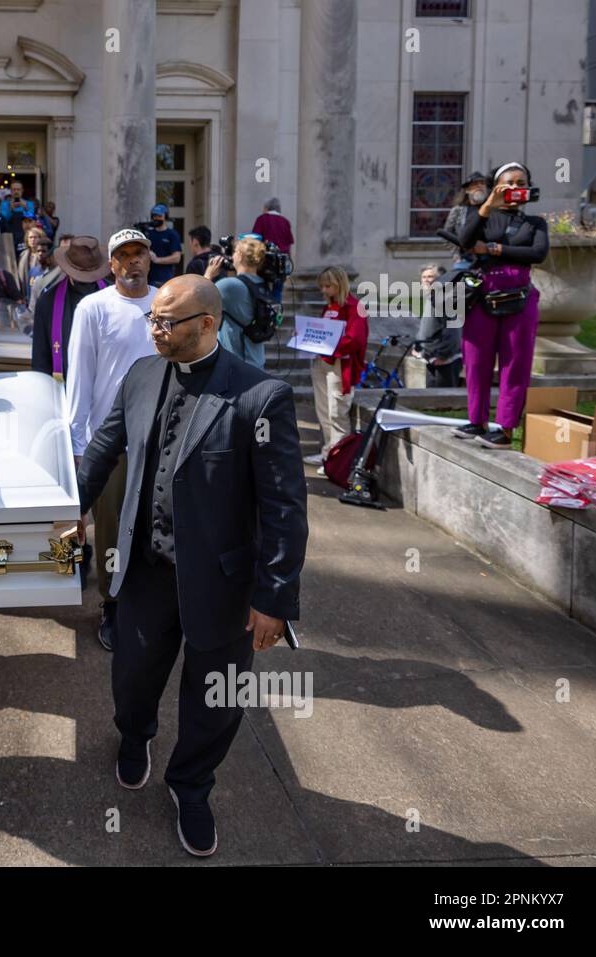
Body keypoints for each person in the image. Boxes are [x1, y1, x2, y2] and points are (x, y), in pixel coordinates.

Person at [76, 273, 308, 858]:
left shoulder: (261, 396)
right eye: (151, 318)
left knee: (215, 700)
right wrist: (67, 512)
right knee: (132, 677)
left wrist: (273, 598)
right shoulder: (141, 374)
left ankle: (192, 785)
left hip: (223, 583)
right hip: (147, 568)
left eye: (165, 321)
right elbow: (104, 450)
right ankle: (135, 736)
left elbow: (284, 508)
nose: (153, 329)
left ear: (207, 324)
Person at [67, 228, 158, 652]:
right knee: (110, 531)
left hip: (162, 437)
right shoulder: (93, 308)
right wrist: (79, 444)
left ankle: (152, 603)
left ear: (150, 258)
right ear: (113, 263)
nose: (133, 261)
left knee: (156, 527)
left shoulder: (168, 302)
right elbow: (80, 378)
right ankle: (112, 603)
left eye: (140, 252)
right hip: (112, 442)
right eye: (124, 255)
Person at [453, 161, 550, 449]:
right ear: (496, 187)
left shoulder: (535, 223)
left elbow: (537, 252)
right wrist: (487, 207)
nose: (515, 189)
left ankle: (505, 429)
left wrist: (494, 249)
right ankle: (477, 420)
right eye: (508, 184)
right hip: (483, 295)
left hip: (519, 297)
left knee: (515, 362)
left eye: (521, 183)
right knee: (475, 359)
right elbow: (465, 241)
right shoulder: (482, 216)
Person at [304, 265, 369, 466]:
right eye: (322, 286)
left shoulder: (355, 307)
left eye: (328, 286)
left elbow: (356, 340)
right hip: (323, 362)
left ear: (339, 284)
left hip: (341, 364)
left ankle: (339, 460)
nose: (324, 290)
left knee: (337, 411)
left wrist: (328, 345)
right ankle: (328, 454)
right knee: (323, 410)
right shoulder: (330, 306)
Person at [30, 236, 111, 379]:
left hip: (106, 384)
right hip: (64, 386)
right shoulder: (48, 301)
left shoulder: (115, 297)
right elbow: (40, 359)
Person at [209, 236, 269, 371]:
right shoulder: (261, 283)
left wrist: (209, 274)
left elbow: (198, 295)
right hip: (256, 361)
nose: (232, 256)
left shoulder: (230, 286)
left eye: (235, 252)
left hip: (236, 365)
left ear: (240, 256)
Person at [414, 263, 462, 388]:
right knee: (430, 400)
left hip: (444, 360)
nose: (426, 280)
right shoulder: (431, 297)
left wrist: (443, 355)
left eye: (430, 277)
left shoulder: (446, 299)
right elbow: (427, 326)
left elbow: (454, 330)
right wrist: (418, 346)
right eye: (424, 277)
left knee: (445, 402)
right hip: (430, 357)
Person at [251, 198, 294, 302]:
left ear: (266, 208)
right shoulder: (285, 221)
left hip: (265, 261)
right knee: (277, 291)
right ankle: (276, 314)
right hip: (282, 262)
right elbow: (289, 244)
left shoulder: (262, 219)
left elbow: (255, 240)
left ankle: (265, 314)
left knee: (263, 289)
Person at [443, 171, 489, 266]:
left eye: (482, 184)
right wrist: (456, 256)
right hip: (465, 259)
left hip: (489, 259)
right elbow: (447, 234)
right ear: (467, 189)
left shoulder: (492, 210)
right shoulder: (458, 211)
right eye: (475, 184)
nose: (479, 186)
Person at [146, 204, 183, 286]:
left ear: (165, 217)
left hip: (165, 279)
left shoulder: (172, 234)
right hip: (149, 279)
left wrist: (157, 260)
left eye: (159, 216)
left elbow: (177, 258)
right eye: (154, 216)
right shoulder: (148, 234)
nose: (156, 218)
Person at [16, 228, 53, 304]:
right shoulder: (22, 255)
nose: (32, 240)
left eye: (35, 237)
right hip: (25, 291)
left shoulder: (44, 255)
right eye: (30, 237)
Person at [0, 180, 36, 248]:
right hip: (9, 236)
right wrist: (10, 209)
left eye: (18, 189)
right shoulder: (4, 204)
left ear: (22, 190)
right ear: (11, 191)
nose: (16, 192)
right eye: (14, 189)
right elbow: (3, 220)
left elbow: (31, 220)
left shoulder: (29, 204)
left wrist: (25, 208)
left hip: (24, 235)